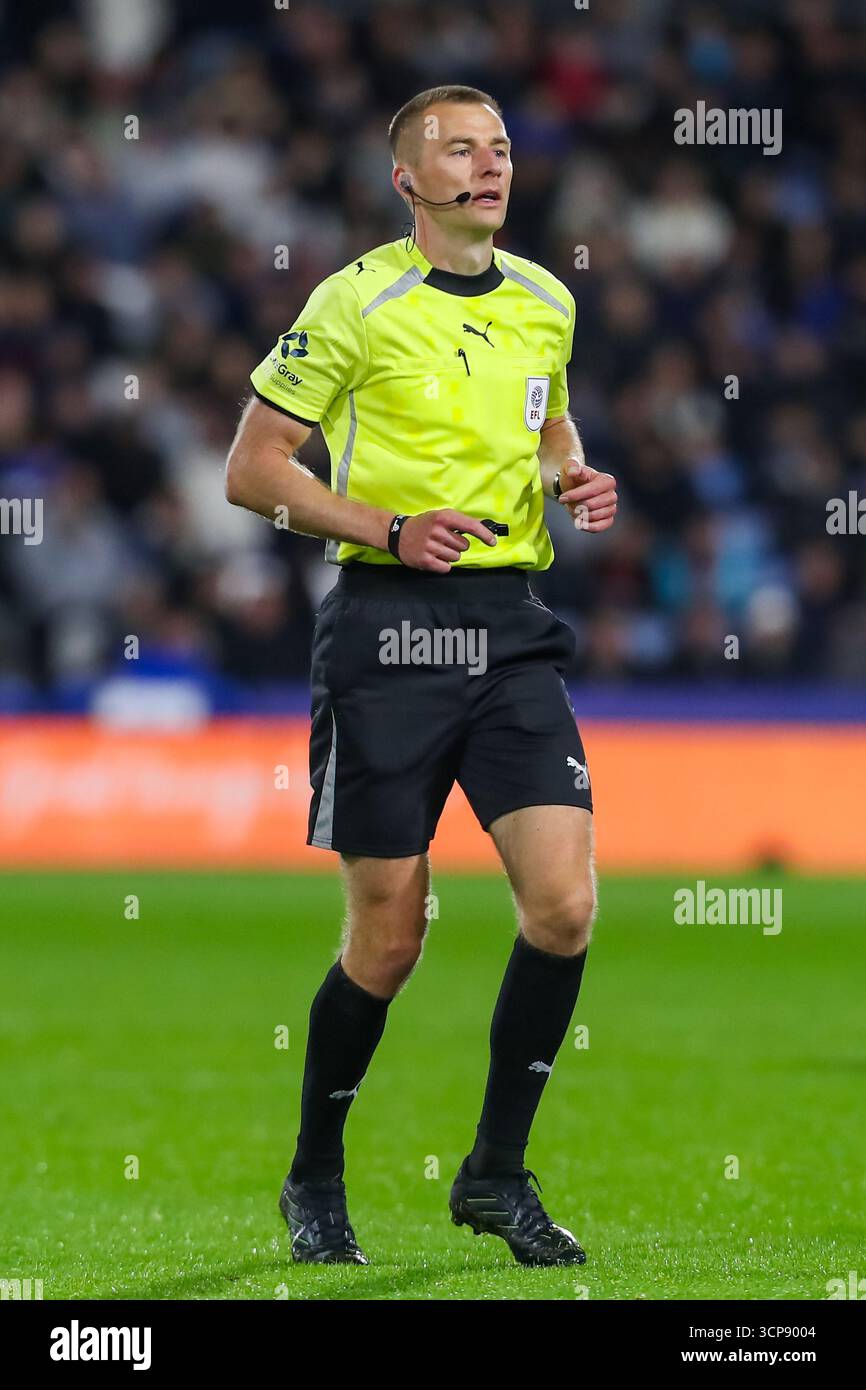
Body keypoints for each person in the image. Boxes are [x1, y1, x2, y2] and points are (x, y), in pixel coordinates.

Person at [225, 84, 618, 1268]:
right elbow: (251, 470)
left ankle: (495, 1173)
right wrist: (385, 525)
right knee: (388, 942)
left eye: (498, 146)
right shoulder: (354, 302)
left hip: (507, 624)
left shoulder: (544, 298)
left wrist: (569, 476)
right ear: (407, 178)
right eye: (457, 148)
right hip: (388, 631)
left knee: (563, 906)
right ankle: (314, 1176)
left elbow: (548, 424)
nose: (486, 163)